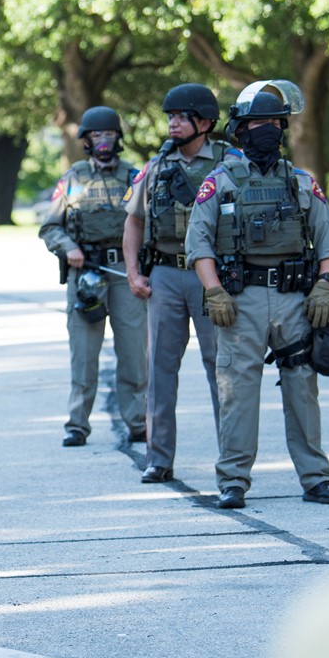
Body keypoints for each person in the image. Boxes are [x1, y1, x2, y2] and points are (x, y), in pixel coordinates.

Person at [184, 88, 329, 509]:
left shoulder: (300, 181)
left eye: (275, 124)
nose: (269, 131)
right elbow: (197, 242)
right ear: (241, 130)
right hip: (241, 301)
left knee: (302, 388)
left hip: (295, 299)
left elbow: (326, 235)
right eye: (260, 125)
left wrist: (324, 284)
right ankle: (233, 481)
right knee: (237, 390)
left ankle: (316, 479)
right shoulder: (219, 182)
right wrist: (214, 290)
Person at [122, 84, 231, 484]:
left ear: (204, 123)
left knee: (221, 367)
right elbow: (133, 221)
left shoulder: (229, 164)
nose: (173, 123)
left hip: (211, 276)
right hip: (165, 274)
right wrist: (134, 272)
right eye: (170, 116)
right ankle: (159, 458)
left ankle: (232, 459)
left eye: (181, 116)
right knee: (160, 369)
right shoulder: (154, 168)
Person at [39, 105, 145, 447]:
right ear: (86, 140)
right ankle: (77, 423)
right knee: (84, 354)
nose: (103, 140)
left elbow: (150, 224)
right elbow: (49, 228)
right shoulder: (73, 180)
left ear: (119, 138)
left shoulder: (134, 178)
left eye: (109, 134)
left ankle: (139, 421)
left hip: (125, 273)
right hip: (86, 275)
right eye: (96, 135)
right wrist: (68, 247)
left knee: (134, 354)